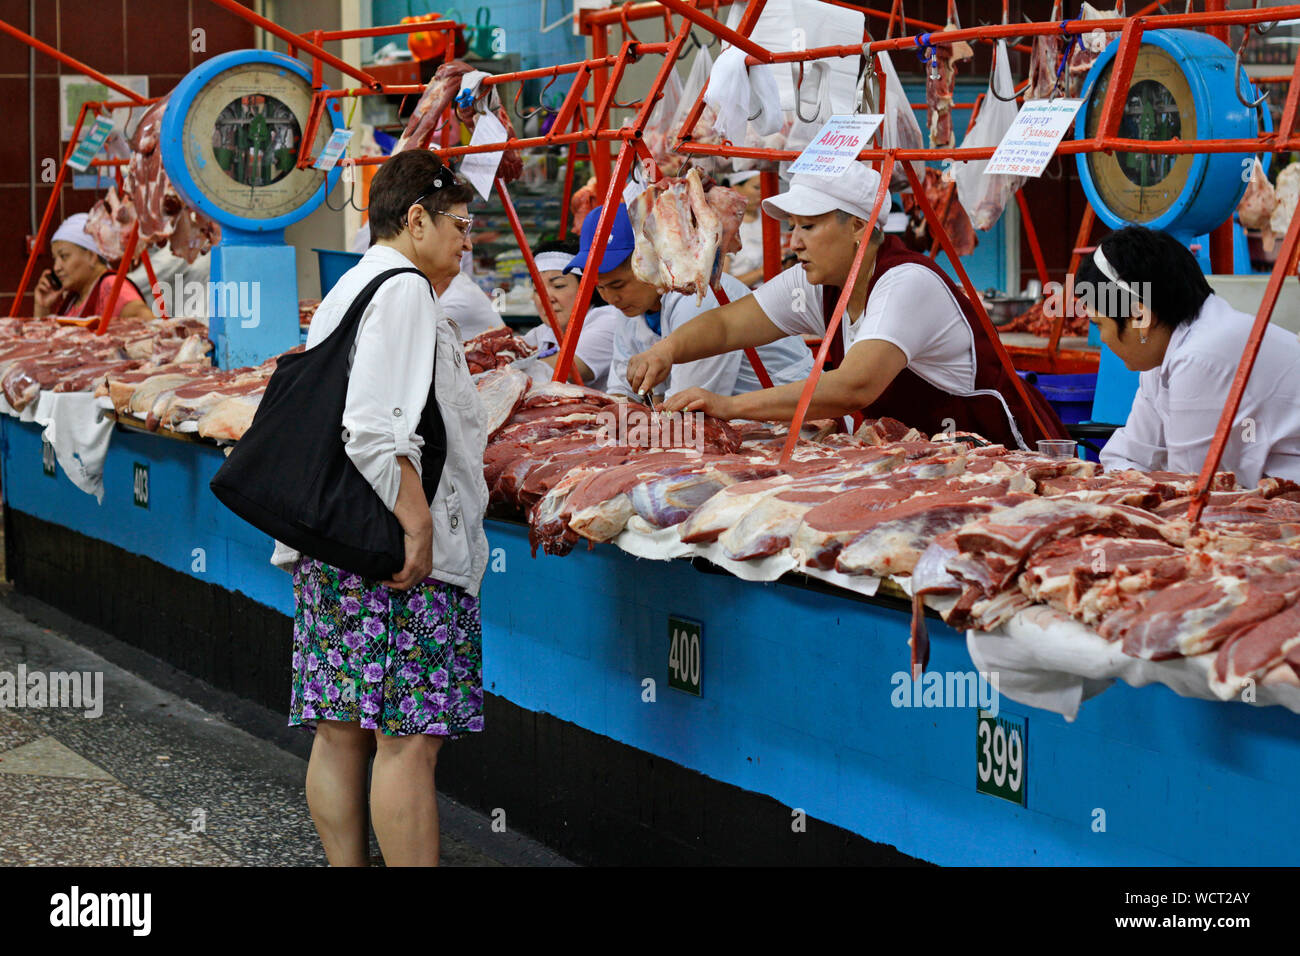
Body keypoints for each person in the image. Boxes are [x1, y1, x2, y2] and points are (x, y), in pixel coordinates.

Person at [271, 150, 489, 866]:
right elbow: (371, 427)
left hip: (337, 546)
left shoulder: (355, 284)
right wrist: (419, 526)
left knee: (339, 730)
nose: (467, 240)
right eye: (460, 224)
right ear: (417, 218)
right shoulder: (404, 290)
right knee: (409, 742)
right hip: (389, 549)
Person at [626, 163, 1065, 448]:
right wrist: (666, 351)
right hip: (930, 465)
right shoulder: (821, 280)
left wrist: (729, 406)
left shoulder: (906, 282)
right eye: (793, 226)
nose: (794, 241)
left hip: (1009, 461)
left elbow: (855, 386)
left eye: (809, 226)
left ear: (857, 226)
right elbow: (726, 326)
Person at [1080, 226, 1300, 488]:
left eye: (1099, 324)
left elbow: (1195, 492)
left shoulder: (1201, 356)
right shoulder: (1164, 355)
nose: (1102, 339)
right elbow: (1126, 456)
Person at [571, 202, 814, 403]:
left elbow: (686, 406)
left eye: (618, 285)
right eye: (599, 288)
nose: (610, 298)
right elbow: (622, 391)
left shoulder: (697, 296)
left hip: (795, 423)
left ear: (652, 260)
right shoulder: (631, 309)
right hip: (742, 430)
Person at [520, 238, 623, 391]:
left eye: (558, 286)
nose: (547, 297)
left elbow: (570, 368)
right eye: (537, 289)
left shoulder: (607, 319)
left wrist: (507, 368)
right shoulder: (543, 332)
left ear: (585, 287)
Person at [33, 213, 152, 321]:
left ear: (91, 256)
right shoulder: (74, 298)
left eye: (64, 256)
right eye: (55, 259)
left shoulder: (110, 285)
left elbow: (147, 321)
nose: (56, 267)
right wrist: (42, 307)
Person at [723, 170, 766, 288]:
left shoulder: (768, 217)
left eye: (765, 187)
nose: (763, 193)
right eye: (757, 187)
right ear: (735, 188)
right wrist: (762, 271)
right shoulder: (725, 226)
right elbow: (723, 284)